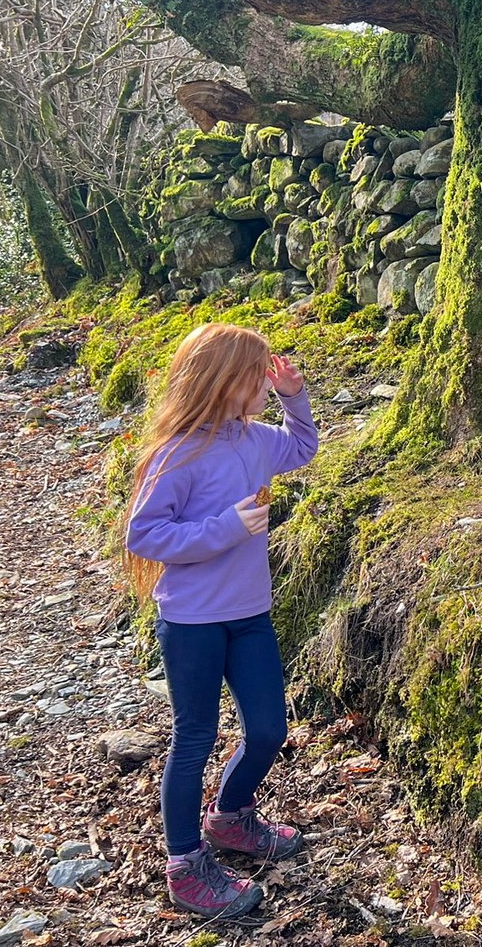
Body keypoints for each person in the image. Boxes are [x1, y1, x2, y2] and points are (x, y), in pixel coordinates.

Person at [123, 323, 319, 918]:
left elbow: (302, 448)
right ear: (222, 381)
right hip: (192, 622)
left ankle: (230, 818)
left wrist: (293, 396)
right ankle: (185, 866)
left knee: (268, 730)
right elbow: (144, 535)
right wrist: (225, 529)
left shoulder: (256, 439)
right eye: (257, 377)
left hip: (250, 614)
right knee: (195, 739)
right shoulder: (177, 453)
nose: (263, 385)